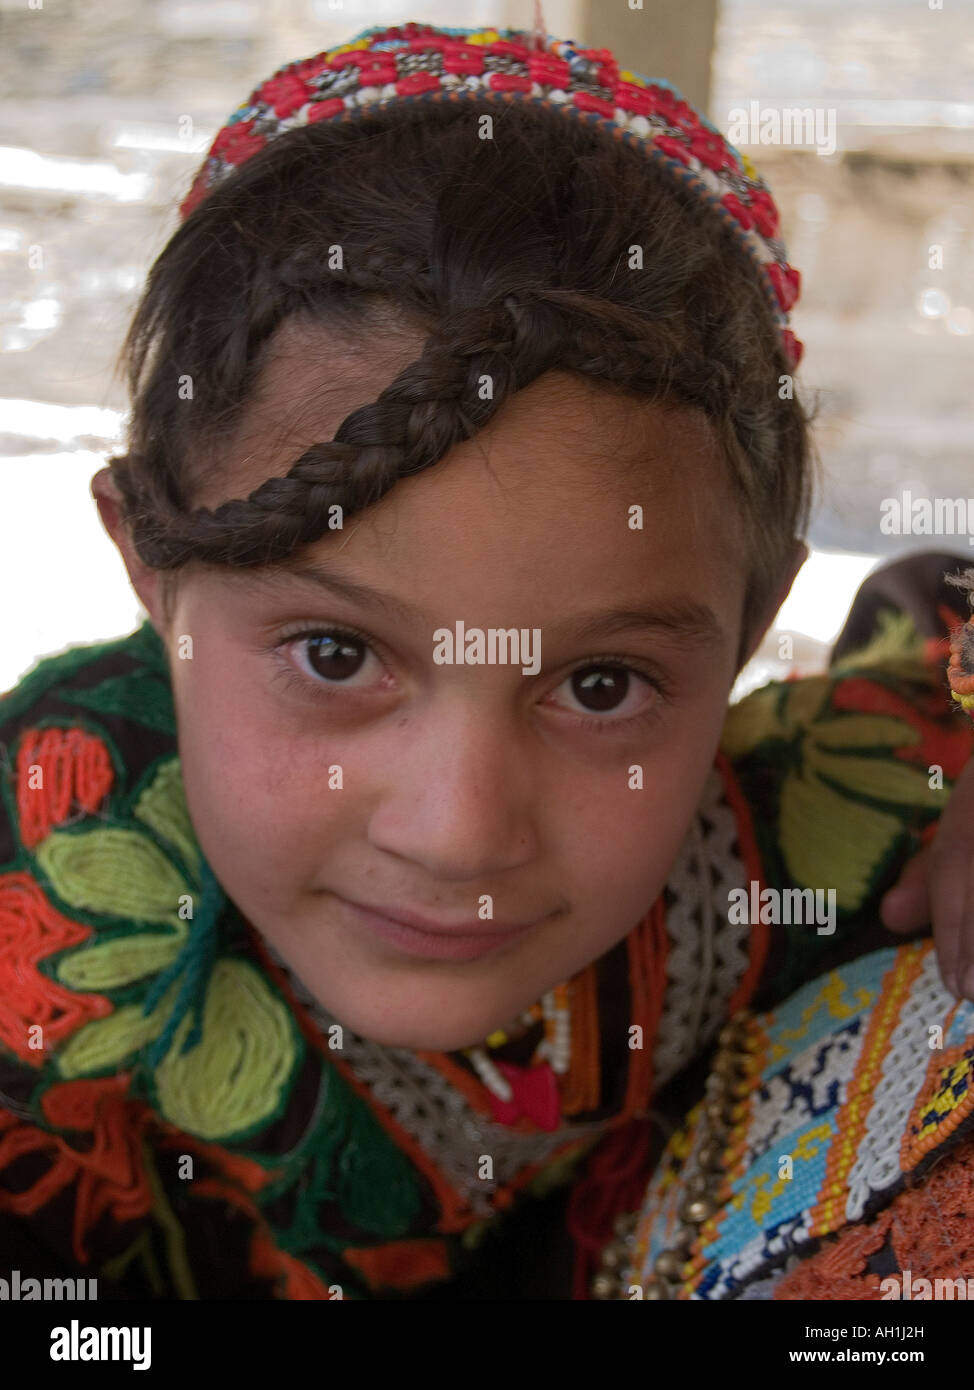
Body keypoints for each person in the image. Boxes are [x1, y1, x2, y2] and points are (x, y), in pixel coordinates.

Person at [0, 19, 971, 1301]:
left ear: (745, 624)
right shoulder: (50, 865)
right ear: (149, 566)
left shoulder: (818, 818)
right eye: (337, 653)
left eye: (599, 686)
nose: (458, 830)